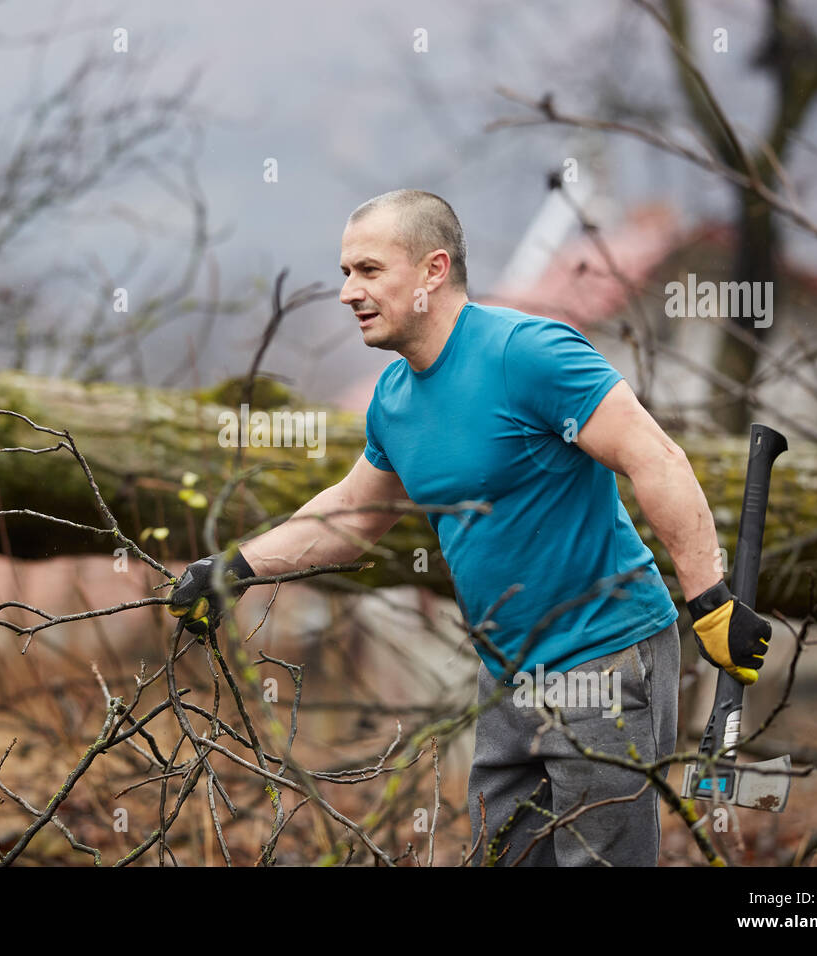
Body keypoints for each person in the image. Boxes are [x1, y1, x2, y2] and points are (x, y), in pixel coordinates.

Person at [168, 189, 771, 866]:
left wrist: (709, 601)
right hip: (505, 672)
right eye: (345, 273)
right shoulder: (395, 400)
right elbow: (353, 516)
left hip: (603, 654)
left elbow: (653, 457)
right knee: (501, 856)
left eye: (368, 270)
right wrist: (235, 568)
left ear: (432, 270)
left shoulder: (528, 352)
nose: (347, 291)